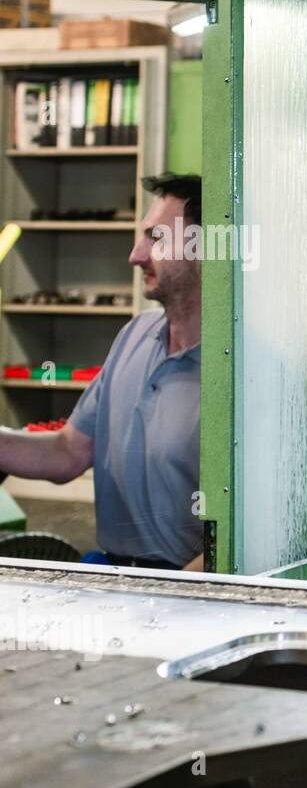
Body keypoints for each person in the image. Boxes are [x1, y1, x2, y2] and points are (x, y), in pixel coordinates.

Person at [0, 174, 203, 570]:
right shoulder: (134, 334)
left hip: (183, 591)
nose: (136, 255)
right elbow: (68, 452)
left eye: (155, 238)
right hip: (110, 572)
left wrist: (172, 599)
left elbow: (235, 542)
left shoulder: (235, 370)